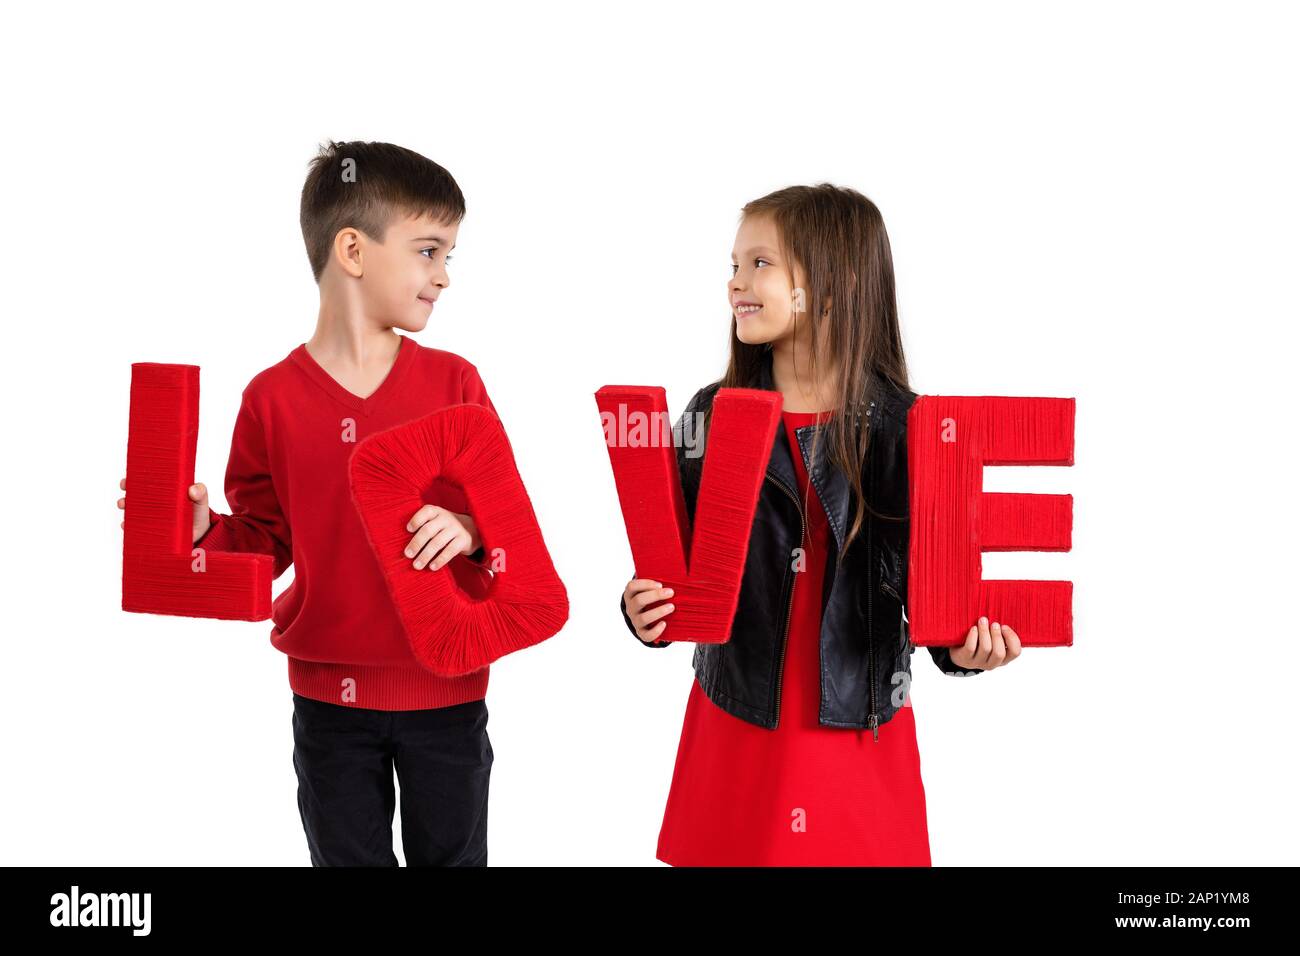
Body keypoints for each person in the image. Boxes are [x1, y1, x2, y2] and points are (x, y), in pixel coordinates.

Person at [117, 140, 501, 865]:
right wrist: (202, 532)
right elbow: (266, 540)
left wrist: (469, 528)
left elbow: (505, 522)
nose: (444, 275)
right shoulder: (271, 399)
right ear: (353, 250)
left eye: (449, 255)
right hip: (330, 706)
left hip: (447, 697)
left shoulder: (456, 383)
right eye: (428, 251)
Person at [621, 184, 1022, 866]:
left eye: (760, 264)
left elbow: (933, 586)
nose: (735, 284)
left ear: (833, 285)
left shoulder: (907, 429)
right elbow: (672, 568)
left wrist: (963, 650)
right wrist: (644, 611)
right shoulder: (710, 414)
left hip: (853, 728)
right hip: (736, 719)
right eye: (734, 265)